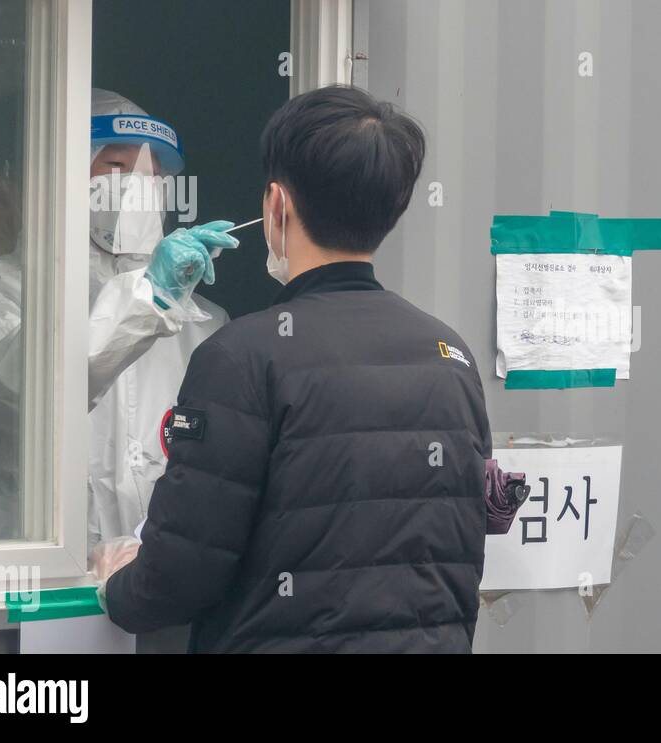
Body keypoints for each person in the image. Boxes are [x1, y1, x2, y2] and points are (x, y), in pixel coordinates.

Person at [96, 86, 492, 653]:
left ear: (276, 204)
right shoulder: (448, 354)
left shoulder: (241, 356)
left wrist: (117, 584)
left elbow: (177, 579)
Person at [0, 89, 236, 543]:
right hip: (34, 572)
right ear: (60, 176)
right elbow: (29, 395)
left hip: (158, 578)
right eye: (116, 166)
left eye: (153, 174)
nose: (139, 185)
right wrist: (150, 299)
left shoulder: (203, 322)